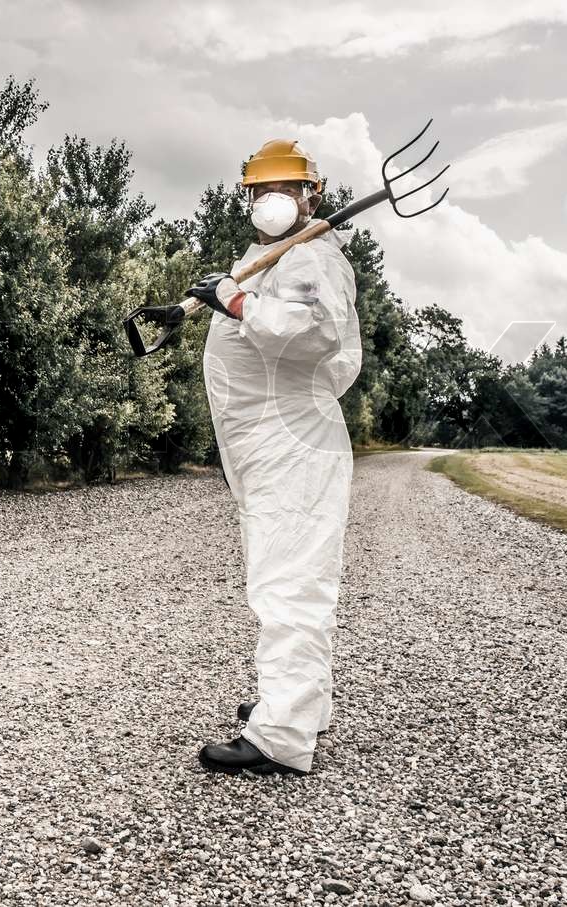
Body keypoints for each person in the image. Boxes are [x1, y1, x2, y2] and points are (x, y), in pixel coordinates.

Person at [184, 138, 362, 776]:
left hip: (293, 442)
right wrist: (232, 293)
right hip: (275, 443)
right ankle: (298, 706)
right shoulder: (272, 257)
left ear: (310, 195)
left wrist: (234, 302)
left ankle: (282, 737)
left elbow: (312, 337)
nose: (271, 201)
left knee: (287, 585)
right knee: (293, 578)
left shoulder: (311, 257)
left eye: (284, 189)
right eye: (261, 191)